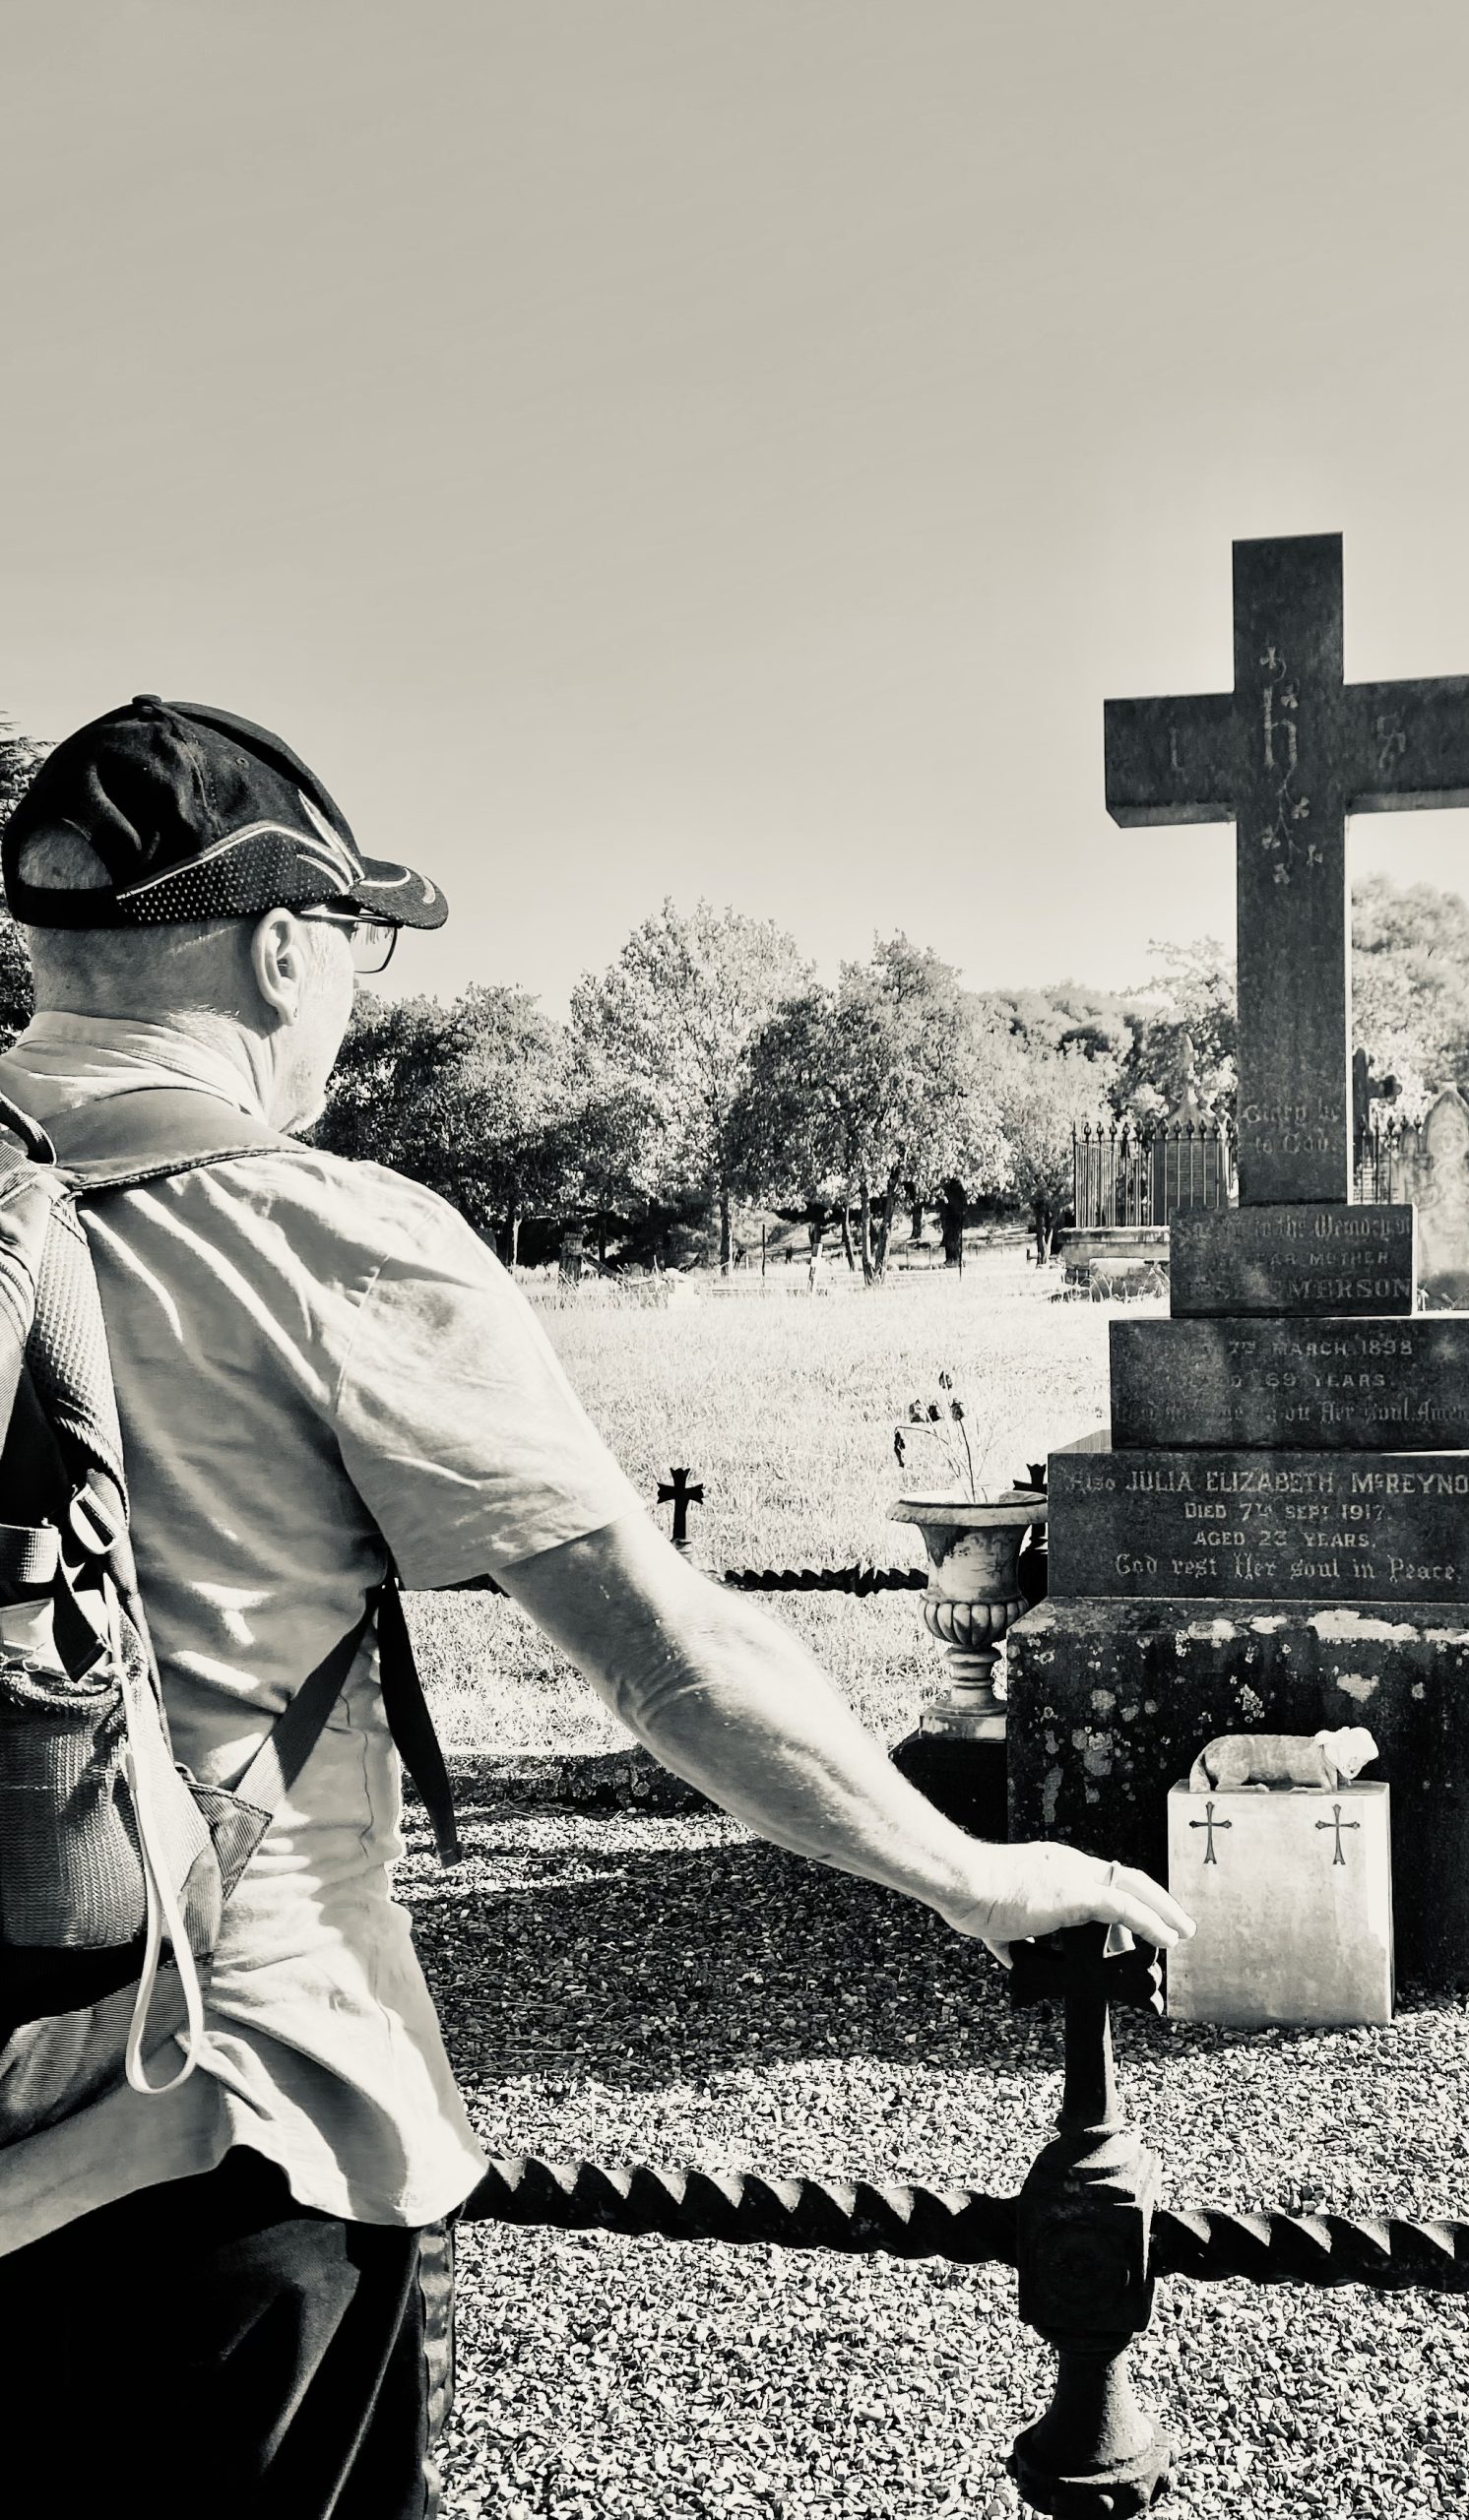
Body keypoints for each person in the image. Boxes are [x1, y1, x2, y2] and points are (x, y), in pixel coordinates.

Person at [0, 697, 1191, 2519]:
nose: (353, 999)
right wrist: (980, 1875)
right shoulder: (317, 1230)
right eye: (358, 952)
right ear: (282, 943)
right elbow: (663, 1651)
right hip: (216, 2136)